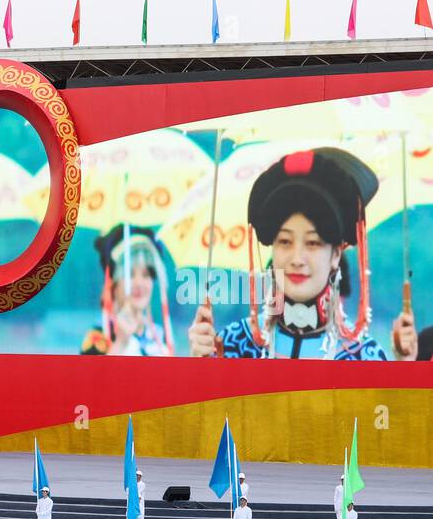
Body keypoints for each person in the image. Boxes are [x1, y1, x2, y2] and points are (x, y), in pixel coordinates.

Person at [187, 148, 396, 360]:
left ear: (335, 255)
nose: (297, 259)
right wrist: (200, 365)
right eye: (285, 241)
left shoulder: (365, 358)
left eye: (313, 243)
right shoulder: (232, 346)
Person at [90, 223, 174, 357]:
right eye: (130, 274)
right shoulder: (98, 336)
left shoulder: (159, 337)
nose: (139, 283)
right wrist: (121, 342)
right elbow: (89, 378)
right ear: (114, 283)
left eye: (146, 274)